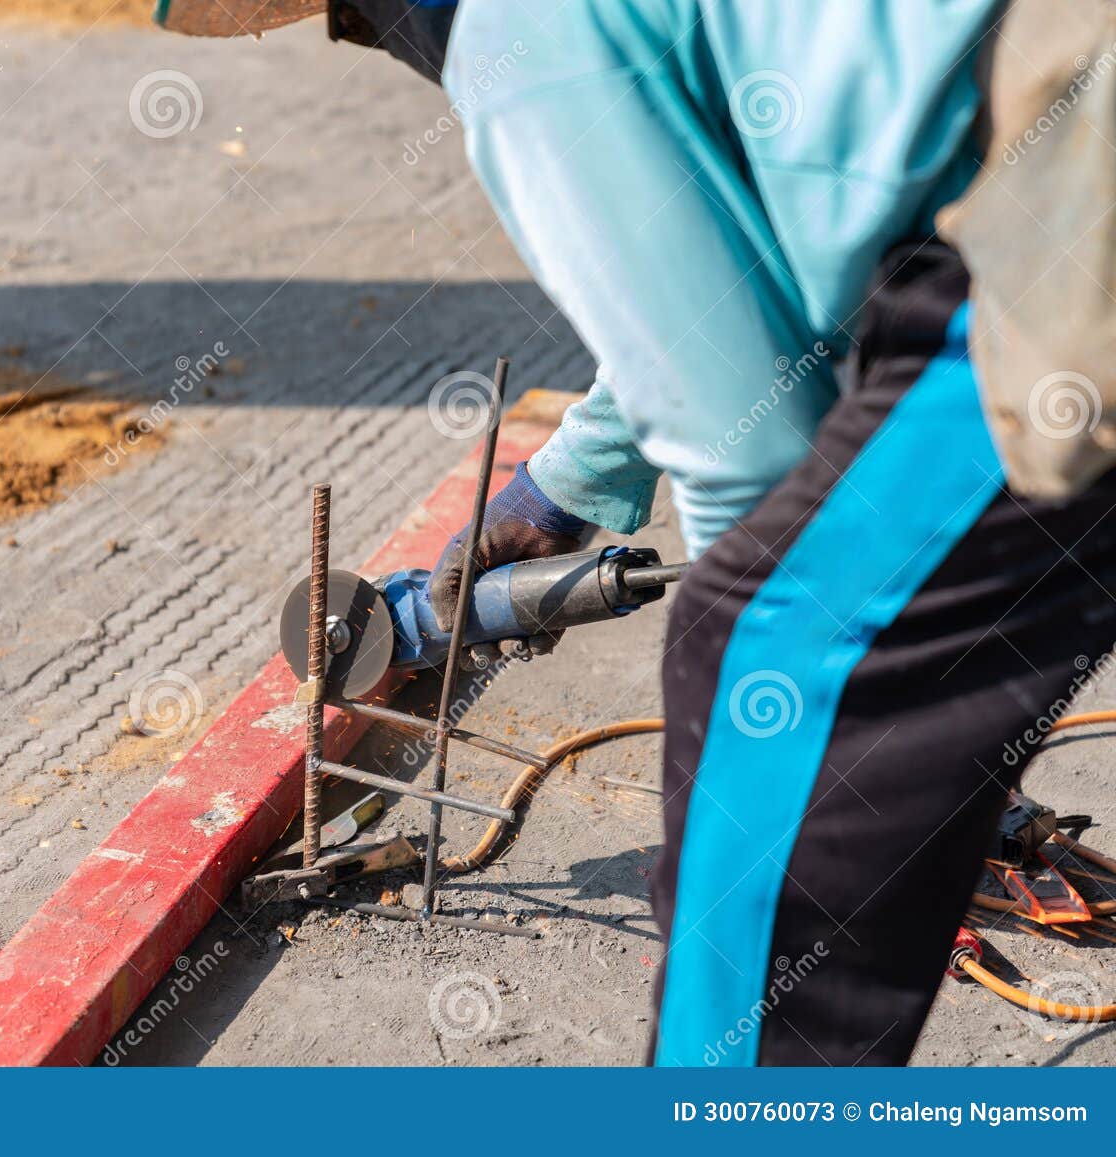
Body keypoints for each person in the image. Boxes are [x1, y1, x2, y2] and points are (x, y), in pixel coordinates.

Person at [428, 0, 1116, 1066]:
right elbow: (764, 280)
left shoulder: (517, 37)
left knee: (767, 653)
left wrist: (797, 662)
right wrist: (574, 478)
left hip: (1077, 185)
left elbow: (750, 452)